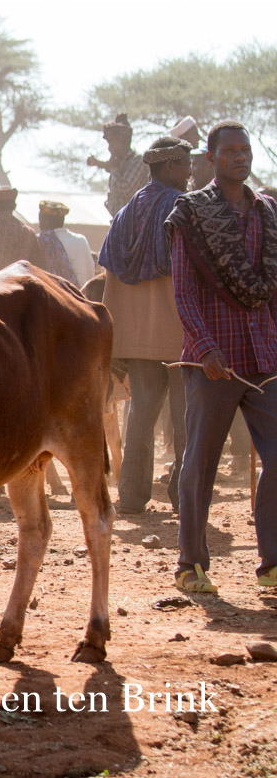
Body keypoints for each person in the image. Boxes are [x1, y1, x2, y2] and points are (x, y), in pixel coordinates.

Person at [165, 121, 277, 592]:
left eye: (245, 150)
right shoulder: (190, 214)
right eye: (230, 151)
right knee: (199, 465)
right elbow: (184, 292)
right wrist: (206, 348)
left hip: (265, 358)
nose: (240, 157)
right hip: (214, 360)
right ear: (209, 159)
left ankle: (272, 563)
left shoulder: (267, 213)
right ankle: (190, 566)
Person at [98, 136, 193, 516]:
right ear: (169, 167)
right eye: (185, 165)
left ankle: (133, 496)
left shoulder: (126, 212)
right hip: (182, 334)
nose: (189, 173)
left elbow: (109, 273)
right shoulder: (184, 208)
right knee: (187, 419)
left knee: (141, 414)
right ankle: (184, 495)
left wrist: (115, 335)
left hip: (135, 336)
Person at [89, 114, 150, 216]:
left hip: (131, 224)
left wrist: (114, 167)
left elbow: (126, 189)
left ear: (121, 141)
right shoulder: (119, 163)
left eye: (111, 142)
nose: (109, 148)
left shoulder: (138, 161)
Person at [38, 200, 94, 286]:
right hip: (78, 296)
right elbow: (89, 274)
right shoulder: (79, 240)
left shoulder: (37, 240)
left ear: (44, 220)